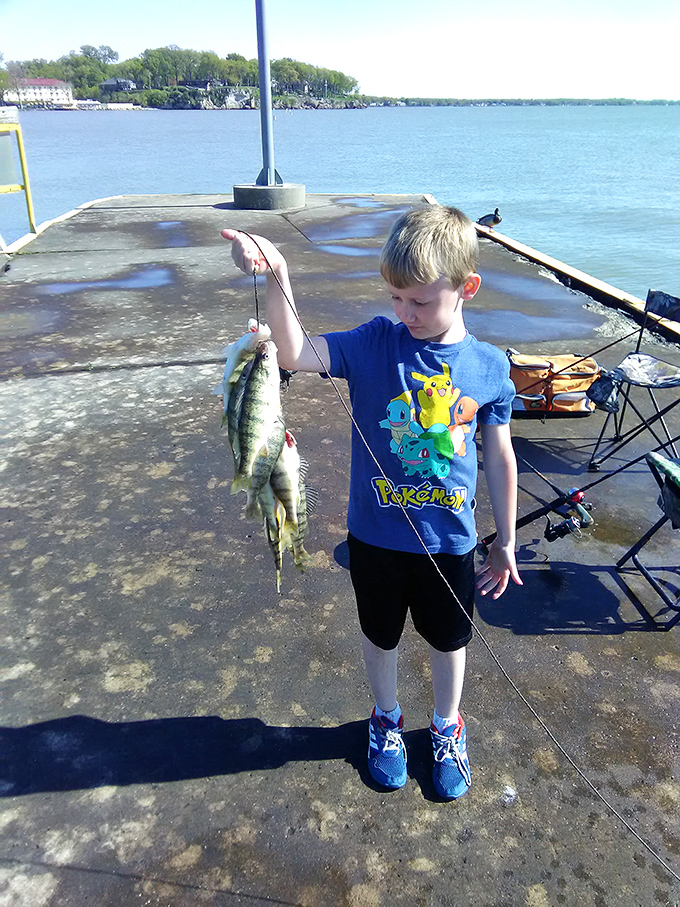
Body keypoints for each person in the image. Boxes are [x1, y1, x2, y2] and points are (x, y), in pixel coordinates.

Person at [222, 205, 522, 800]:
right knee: (379, 635)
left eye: (419, 302)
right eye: (395, 299)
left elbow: (501, 457)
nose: (404, 314)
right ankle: (384, 719)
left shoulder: (489, 367)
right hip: (376, 540)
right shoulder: (373, 343)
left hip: (452, 544)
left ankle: (446, 725)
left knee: (449, 641)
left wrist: (506, 539)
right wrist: (277, 272)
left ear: (467, 289)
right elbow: (293, 354)